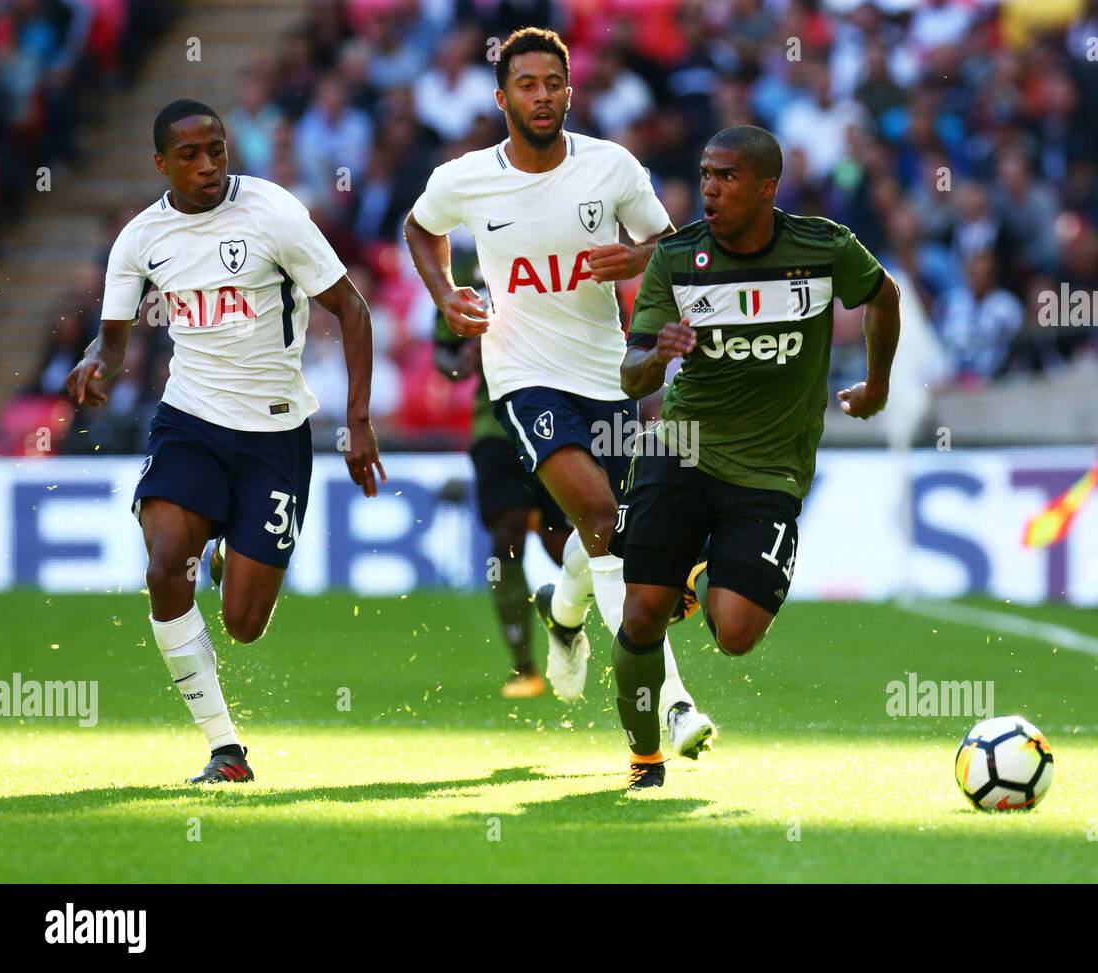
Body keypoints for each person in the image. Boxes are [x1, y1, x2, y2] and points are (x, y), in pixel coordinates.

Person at [403, 27, 716, 759]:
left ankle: (564, 613)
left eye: (553, 83)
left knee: (600, 531)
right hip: (521, 377)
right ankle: (672, 705)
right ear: (502, 95)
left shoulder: (611, 168)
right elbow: (420, 228)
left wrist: (636, 256)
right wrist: (447, 293)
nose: (541, 96)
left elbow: (674, 251)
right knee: (607, 520)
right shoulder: (467, 178)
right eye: (526, 85)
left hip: (608, 376)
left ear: (570, 91)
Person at [65, 99, 385, 784]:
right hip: (190, 421)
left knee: (243, 623)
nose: (208, 164)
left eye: (216, 149)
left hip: (274, 434)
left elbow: (351, 308)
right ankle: (225, 748)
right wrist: (97, 361)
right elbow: (115, 343)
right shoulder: (140, 239)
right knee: (162, 565)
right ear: (161, 164)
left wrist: (356, 420)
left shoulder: (272, 213)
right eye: (190, 154)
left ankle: (226, 556)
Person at [611, 125, 901, 790]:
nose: (710, 187)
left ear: (767, 187)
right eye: (706, 173)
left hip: (772, 469)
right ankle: (645, 758)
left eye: (728, 176)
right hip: (680, 449)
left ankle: (705, 571)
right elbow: (632, 377)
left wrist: (878, 383)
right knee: (641, 612)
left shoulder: (822, 247)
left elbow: (883, 295)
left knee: (737, 634)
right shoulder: (677, 258)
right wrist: (657, 355)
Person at [434, 323, 571, 698]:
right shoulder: (462, 271)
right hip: (496, 424)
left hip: (560, 419)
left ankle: (565, 615)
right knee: (507, 532)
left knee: (562, 542)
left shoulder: (573, 264)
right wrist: (463, 361)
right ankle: (523, 665)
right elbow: (443, 355)